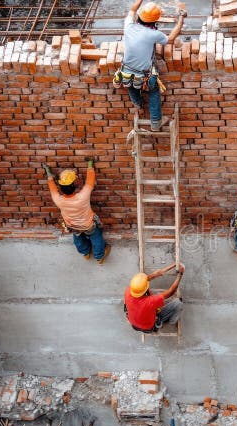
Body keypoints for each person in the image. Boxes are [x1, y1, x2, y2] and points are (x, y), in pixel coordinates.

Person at [115, 1, 186, 131]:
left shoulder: (129, 26)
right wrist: (181, 18)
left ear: (140, 17)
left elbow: (132, 9)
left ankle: (138, 105)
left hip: (126, 73)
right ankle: (155, 122)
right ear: (155, 22)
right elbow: (170, 39)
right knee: (153, 92)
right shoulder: (154, 34)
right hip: (144, 77)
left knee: (131, 87)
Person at [42, 157, 110, 264]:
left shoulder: (58, 200)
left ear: (61, 187)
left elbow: (52, 188)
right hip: (88, 225)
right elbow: (90, 182)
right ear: (74, 185)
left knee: (78, 238)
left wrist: (48, 172)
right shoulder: (83, 196)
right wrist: (90, 164)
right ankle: (99, 256)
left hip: (72, 226)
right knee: (96, 237)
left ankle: (85, 253)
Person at [124, 263, 185, 333]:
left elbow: (151, 276)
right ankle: (170, 322)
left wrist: (174, 264)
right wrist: (180, 274)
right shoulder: (151, 302)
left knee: (155, 302)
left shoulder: (128, 291)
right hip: (148, 328)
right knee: (178, 302)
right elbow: (171, 292)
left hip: (134, 324)